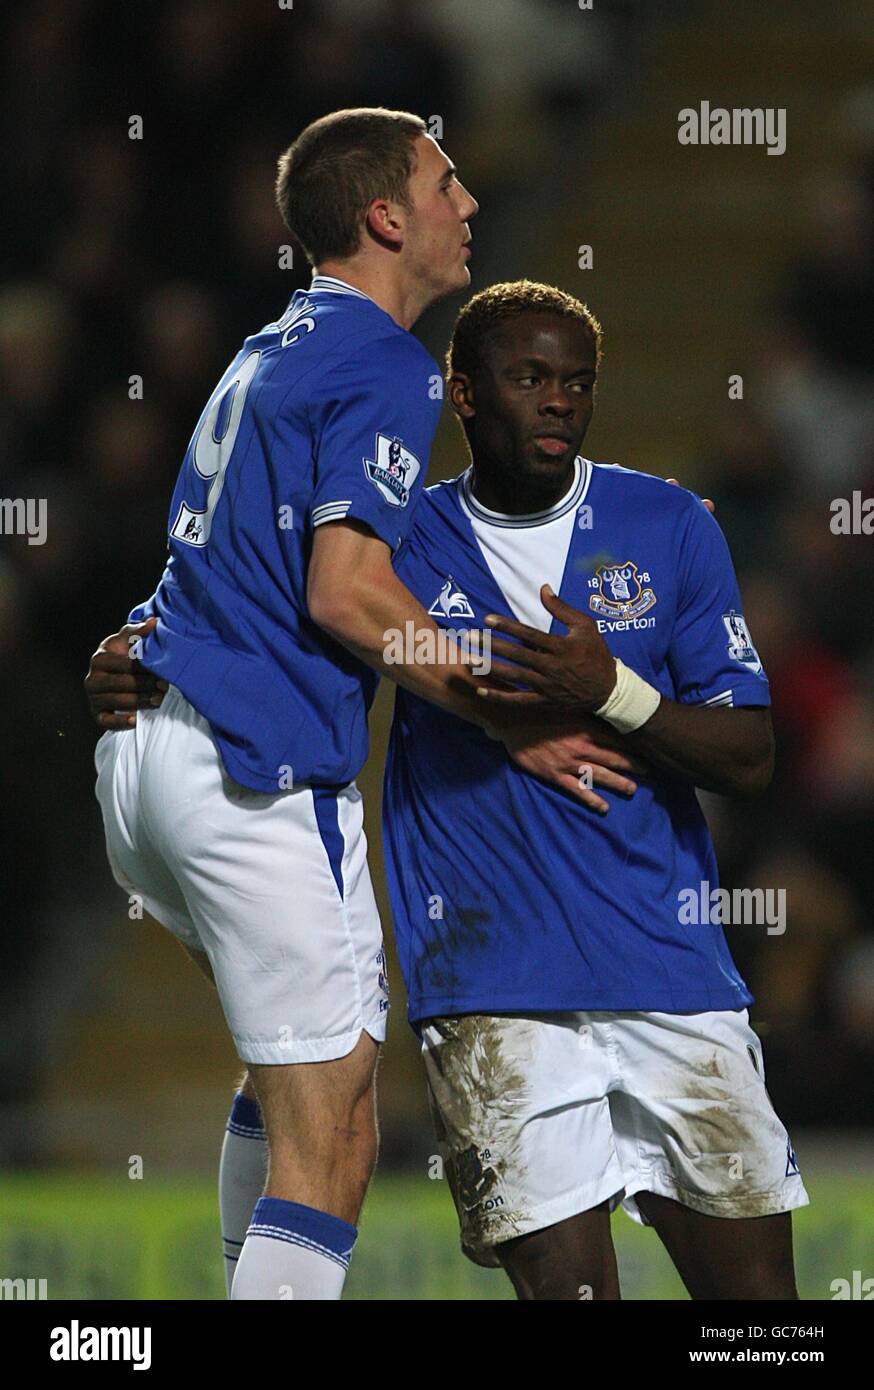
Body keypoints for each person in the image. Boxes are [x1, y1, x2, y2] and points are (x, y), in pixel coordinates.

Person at [85, 112, 609, 1301]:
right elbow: (347, 592)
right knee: (338, 1140)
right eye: (445, 182)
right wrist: (508, 706)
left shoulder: (271, 347)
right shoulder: (382, 356)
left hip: (152, 760)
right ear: (386, 217)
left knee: (295, 1090)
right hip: (251, 772)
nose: (468, 204)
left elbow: (220, 559)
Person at [381, 279, 807, 1299]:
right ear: (464, 392)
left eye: (577, 382)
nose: (559, 401)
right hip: (496, 990)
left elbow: (748, 755)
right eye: (528, 377)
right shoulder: (396, 543)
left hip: (672, 978)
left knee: (763, 1324)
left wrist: (609, 689)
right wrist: (144, 643)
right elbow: (275, 619)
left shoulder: (666, 524)